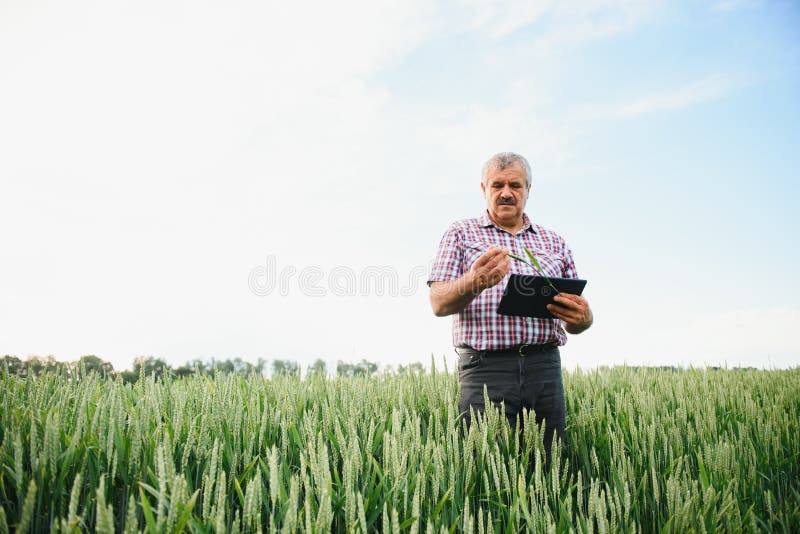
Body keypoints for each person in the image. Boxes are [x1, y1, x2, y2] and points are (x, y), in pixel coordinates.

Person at [427, 152, 593, 458]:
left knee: (550, 464)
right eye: (497, 185)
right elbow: (438, 302)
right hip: (485, 368)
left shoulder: (554, 242)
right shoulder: (460, 234)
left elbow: (578, 315)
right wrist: (475, 280)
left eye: (515, 185)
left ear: (529, 189)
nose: (506, 193)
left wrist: (583, 319)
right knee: (484, 465)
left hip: (544, 367)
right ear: (483, 189)